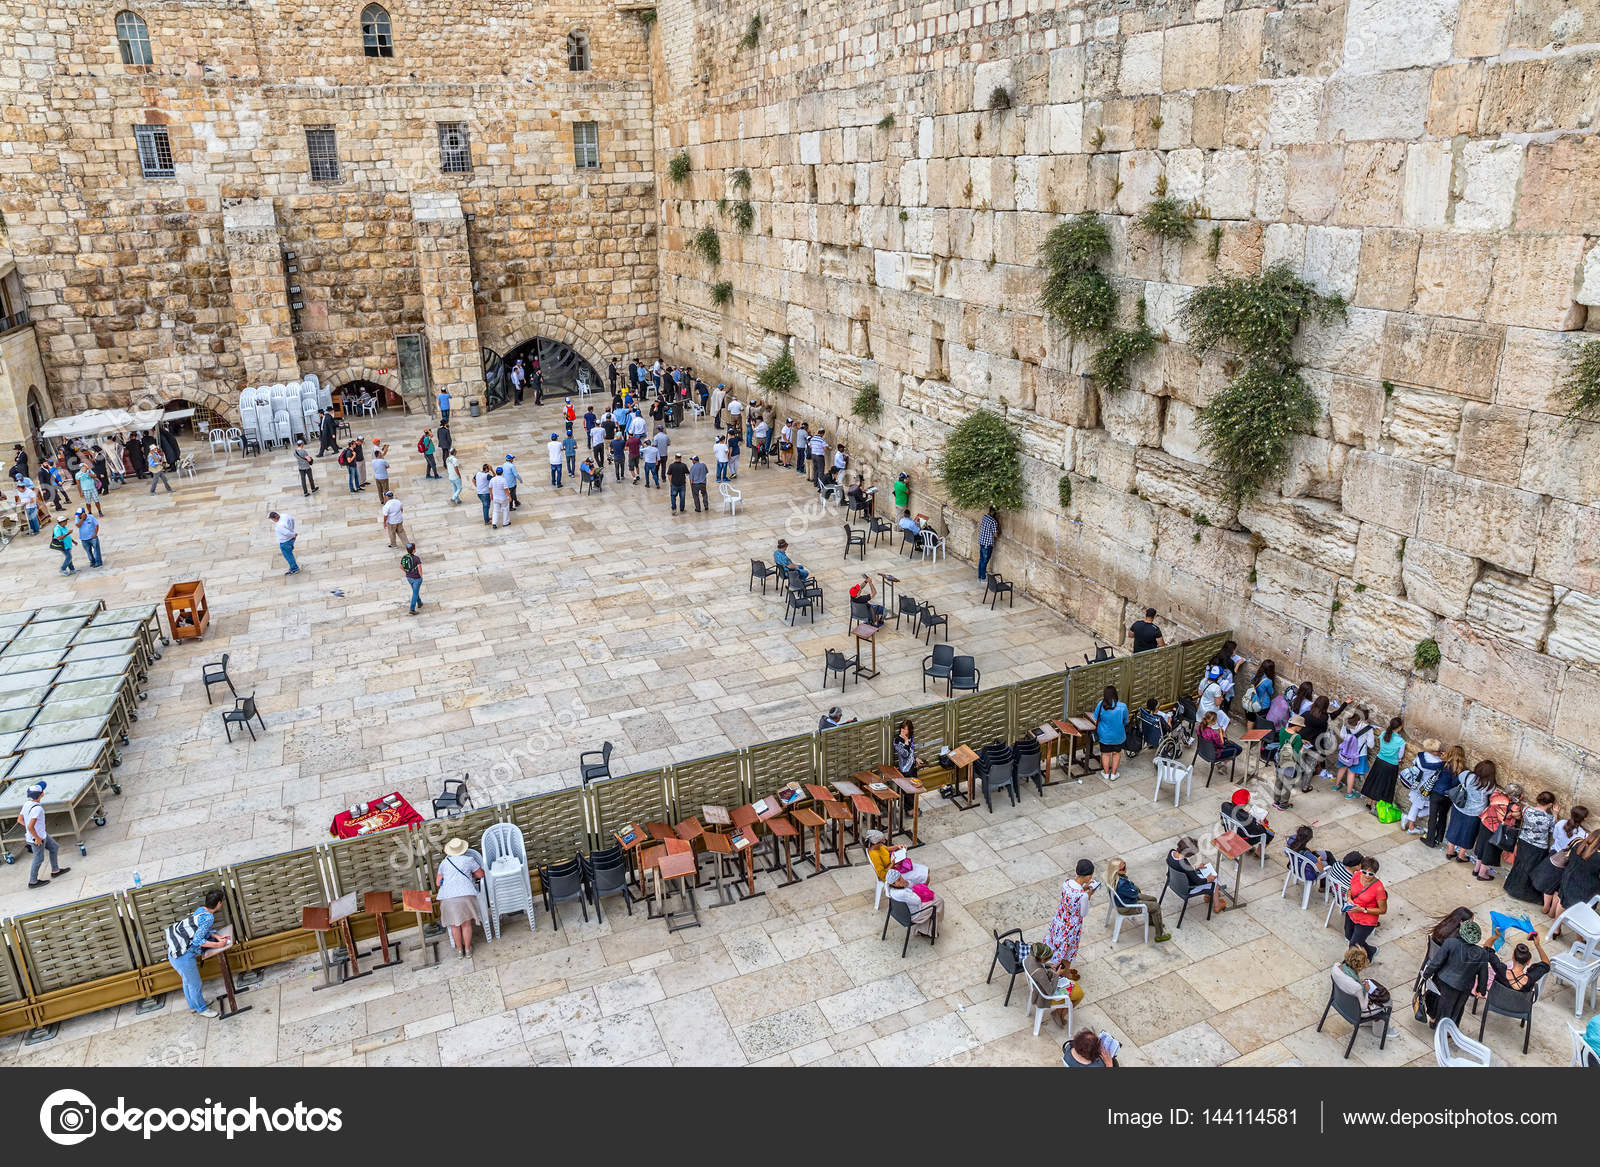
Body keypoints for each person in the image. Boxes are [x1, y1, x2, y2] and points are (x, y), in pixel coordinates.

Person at [1422, 918, 1504, 1026]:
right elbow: (1484, 974)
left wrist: (1426, 974)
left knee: (1438, 1002)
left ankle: (1434, 1021)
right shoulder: (1481, 953)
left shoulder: (1450, 943)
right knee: (1457, 1008)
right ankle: (1449, 1030)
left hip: (1443, 981)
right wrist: (1481, 990)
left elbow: (1437, 962)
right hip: (1463, 987)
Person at [164, 889, 228, 1018]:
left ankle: (193, 1006)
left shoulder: (201, 910)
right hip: (183, 956)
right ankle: (202, 1009)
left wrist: (216, 936)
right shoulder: (209, 917)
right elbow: (197, 940)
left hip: (174, 954)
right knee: (195, 984)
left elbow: (199, 930)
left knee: (187, 982)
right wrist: (218, 945)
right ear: (219, 903)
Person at [1533, 806, 1589, 918]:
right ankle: (1552, 911)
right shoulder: (1584, 835)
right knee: (1558, 889)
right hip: (1567, 863)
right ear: (1585, 819)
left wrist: (1555, 815)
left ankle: (1545, 907)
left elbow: (1555, 837)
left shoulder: (1561, 823)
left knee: (1549, 884)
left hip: (1555, 856)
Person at [1044, 860, 1097, 978]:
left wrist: (1084, 888)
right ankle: (1066, 973)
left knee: (1058, 946)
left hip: (1060, 920)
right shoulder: (1082, 895)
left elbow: (1071, 896)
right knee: (1068, 951)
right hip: (1071, 927)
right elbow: (1083, 913)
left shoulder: (1066, 883)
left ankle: (1061, 969)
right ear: (1089, 876)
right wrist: (1089, 894)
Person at [435, 837, 485, 958]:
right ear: (463, 849)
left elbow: (438, 883)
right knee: (466, 924)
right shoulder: (469, 860)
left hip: (448, 897)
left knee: (454, 925)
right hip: (465, 895)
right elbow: (481, 874)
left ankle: (459, 951)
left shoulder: (444, 863)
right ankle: (467, 950)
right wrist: (471, 874)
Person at [19, 781, 71, 889]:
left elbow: (19, 820)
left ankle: (55, 870)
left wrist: (32, 830)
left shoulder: (27, 804)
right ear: (41, 794)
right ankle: (33, 882)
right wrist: (37, 837)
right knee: (39, 859)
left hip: (41, 834)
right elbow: (30, 827)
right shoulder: (37, 809)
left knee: (54, 847)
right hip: (37, 838)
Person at [1106, 857, 1170, 943]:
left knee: (1153, 899)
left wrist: (1132, 886)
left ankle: (1152, 921)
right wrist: (1133, 886)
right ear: (1116, 871)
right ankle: (1160, 935)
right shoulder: (1122, 884)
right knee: (1156, 906)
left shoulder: (1113, 877)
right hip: (1127, 907)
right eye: (1123, 868)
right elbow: (1135, 893)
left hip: (1125, 899)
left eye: (1125, 865)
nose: (1126, 868)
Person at [1552, 830, 1600, 939]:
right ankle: (1579, 939)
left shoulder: (1577, 844)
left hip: (1568, 880)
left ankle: (1556, 929)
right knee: (1583, 914)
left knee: (1562, 903)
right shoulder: (1598, 858)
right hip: (1586, 889)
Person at [1445, 759, 1495, 861]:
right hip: (1474, 813)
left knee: (1453, 827)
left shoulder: (1467, 775)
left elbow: (1459, 778)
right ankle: (1461, 856)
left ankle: (1450, 852)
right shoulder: (1490, 785)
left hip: (1459, 806)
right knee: (1468, 833)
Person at [1473, 781, 1523, 881]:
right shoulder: (1514, 807)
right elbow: (1518, 816)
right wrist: (1518, 802)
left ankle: (1476, 870)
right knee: (1489, 851)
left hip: (1485, 822)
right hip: (1496, 830)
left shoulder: (1496, 794)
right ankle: (1482, 874)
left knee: (1482, 847)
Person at [1343, 856, 1386, 960]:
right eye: (1364, 872)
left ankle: (1349, 966)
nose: (1367, 876)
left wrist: (1363, 910)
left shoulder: (1379, 888)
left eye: (1371, 874)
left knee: (1353, 945)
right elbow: (1350, 889)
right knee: (1349, 936)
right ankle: (1371, 951)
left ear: (1375, 873)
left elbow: (1383, 910)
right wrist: (1349, 898)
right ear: (1360, 869)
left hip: (1367, 920)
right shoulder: (1357, 875)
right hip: (1352, 913)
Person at [1332, 946, 1392, 1020]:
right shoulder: (1358, 987)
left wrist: (1357, 981)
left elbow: (1346, 981)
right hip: (1355, 1012)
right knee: (1388, 1002)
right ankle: (1378, 1027)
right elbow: (1363, 1007)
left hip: (1339, 1001)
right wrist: (1366, 990)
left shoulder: (1335, 967)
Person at [1168, 836, 1225, 912]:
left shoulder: (1171, 852)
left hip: (1174, 882)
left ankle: (1209, 896)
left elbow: (1181, 868)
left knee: (1204, 875)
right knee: (1214, 880)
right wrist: (1208, 879)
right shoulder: (1185, 866)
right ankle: (1217, 905)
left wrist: (1195, 867)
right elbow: (1199, 881)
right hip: (1187, 888)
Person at [1422, 742, 1462, 848]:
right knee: (1443, 817)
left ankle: (1430, 840)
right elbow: (1455, 783)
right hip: (1448, 797)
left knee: (1433, 817)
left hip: (1437, 793)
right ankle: (1439, 838)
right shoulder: (1462, 769)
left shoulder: (1443, 764)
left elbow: (1426, 765)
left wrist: (1421, 754)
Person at [1090, 684, 1129, 781]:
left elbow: (1095, 718)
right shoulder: (1123, 706)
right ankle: (1114, 774)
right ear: (1115, 694)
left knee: (1105, 754)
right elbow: (1126, 721)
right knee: (1116, 753)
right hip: (1118, 736)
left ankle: (1106, 773)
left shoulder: (1101, 704)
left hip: (1104, 735)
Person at [1335, 707, 1375, 800]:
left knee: (1342, 768)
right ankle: (1349, 794)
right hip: (1358, 754)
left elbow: (1342, 735)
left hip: (1345, 752)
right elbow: (1371, 745)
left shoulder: (1347, 722)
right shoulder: (1368, 728)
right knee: (1351, 773)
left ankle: (1336, 786)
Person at [270, 510, 300, 575]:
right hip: (291, 539)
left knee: (288, 556)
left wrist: (292, 535)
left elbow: (286, 533)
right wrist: (292, 531)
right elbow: (292, 520)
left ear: (274, 519)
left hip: (285, 541)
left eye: (272, 519)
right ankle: (293, 566)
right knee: (289, 551)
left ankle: (294, 568)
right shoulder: (284, 515)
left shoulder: (279, 526)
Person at [976, 505, 1000, 581]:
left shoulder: (985, 516)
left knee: (981, 559)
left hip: (982, 541)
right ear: (994, 512)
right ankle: (983, 578)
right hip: (987, 544)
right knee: (985, 561)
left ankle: (980, 576)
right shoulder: (993, 521)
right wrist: (998, 530)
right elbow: (996, 535)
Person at [400, 542, 423, 615]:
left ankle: (419, 602)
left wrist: (407, 572)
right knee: (415, 593)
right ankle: (412, 609)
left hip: (409, 577)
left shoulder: (404, 557)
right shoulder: (416, 558)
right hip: (416, 578)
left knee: (415, 590)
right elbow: (419, 568)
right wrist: (421, 576)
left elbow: (401, 567)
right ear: (413, 550)